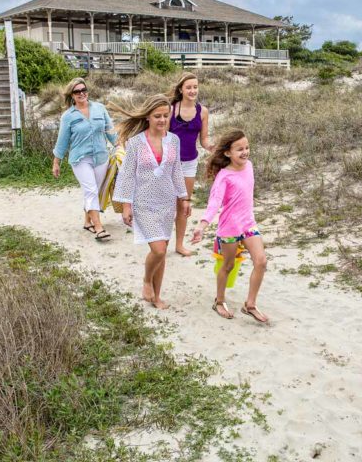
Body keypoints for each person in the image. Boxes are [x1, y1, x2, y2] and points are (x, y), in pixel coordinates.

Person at [112, 94, 189, 309]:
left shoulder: (174, 140)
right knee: (159, 250)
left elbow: (176, 172)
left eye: (166, 116)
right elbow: (126, 174)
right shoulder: (135, 143)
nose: (162, 120)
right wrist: (126, 205)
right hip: (143, 203)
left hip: (167, 203)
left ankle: (156, 296)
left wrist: (184, 199)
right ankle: (147, 281)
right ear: (148, 116)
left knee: (162, 250)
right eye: (157, 116)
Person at [191, 130, 268, 323]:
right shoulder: (224, 176)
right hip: (230, 227)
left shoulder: (249, 166)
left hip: (248, 224)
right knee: (228, 265)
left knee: (261, 261)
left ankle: (250, 305)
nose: (245, 152)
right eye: (239, 149)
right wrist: (202, 224)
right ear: (227, 153)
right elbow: (215, 202)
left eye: (247, 148)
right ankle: (219, 301)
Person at [52, 77, 116, 241]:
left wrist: (120, 146)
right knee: (91, 190)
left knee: (95, 191)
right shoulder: (68, 116)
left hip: (101, 157)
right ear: (72, 95)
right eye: (77, 91)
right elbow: (62, 141)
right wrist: (56, 162)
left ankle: (87, 222)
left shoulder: (100, 108)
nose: (81, 93)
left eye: (83, 90)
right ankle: (99, 227)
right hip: (80, 159)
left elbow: (110, 131)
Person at [167, 72, 213, 256]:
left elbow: (204, 140)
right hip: (169, 163)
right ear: (181, 89)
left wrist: (213, 147)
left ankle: (179, 245)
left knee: (183, 205)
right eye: (189, 87)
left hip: (189, 164)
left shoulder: (203, 111)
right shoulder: (171, 109)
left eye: (195, 87)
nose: (193, 90)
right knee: (167, 205)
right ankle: (160, 242)